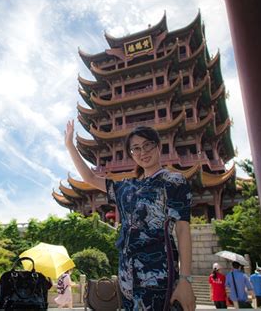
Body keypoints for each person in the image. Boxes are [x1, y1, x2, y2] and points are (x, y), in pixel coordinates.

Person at [65, 123, 195, 311]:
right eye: (136, 148)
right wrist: (70, 144)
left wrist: (185, 279)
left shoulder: (173, 182)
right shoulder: (126, 187)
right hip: (126, 275)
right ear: (131, 154)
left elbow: (183, 230)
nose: (142, 152)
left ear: (158, 146)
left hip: (158, 274)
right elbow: (90, 178)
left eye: (147, 145)